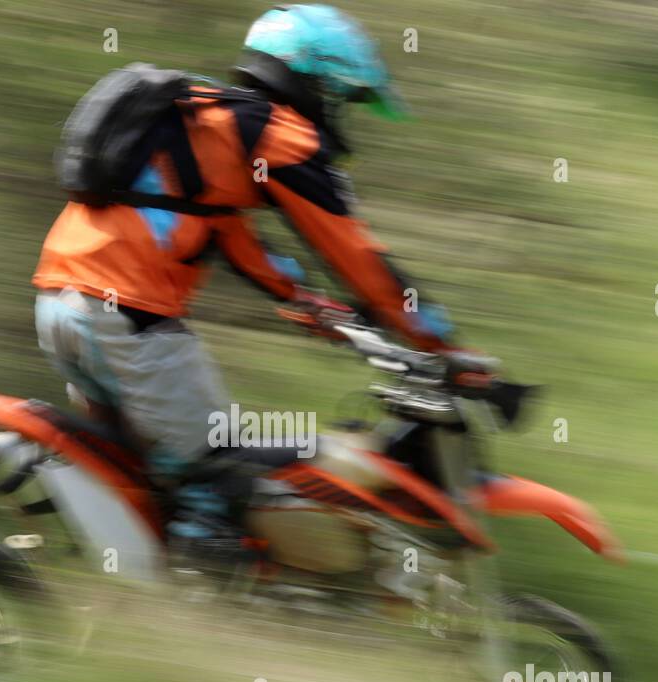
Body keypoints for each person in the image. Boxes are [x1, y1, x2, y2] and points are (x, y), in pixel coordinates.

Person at [32, 4, 464, 557]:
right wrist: (447, 349)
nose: (339, 115)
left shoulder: (209, 119)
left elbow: (234, 238)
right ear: (317, 82)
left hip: (61, 306)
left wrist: (310, 303)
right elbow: (359, 259)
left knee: (148, 478)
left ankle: (116, 578)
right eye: (342, 99)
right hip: (126, 319)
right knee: (218, 462)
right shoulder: (282, 136)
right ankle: (204, 604)